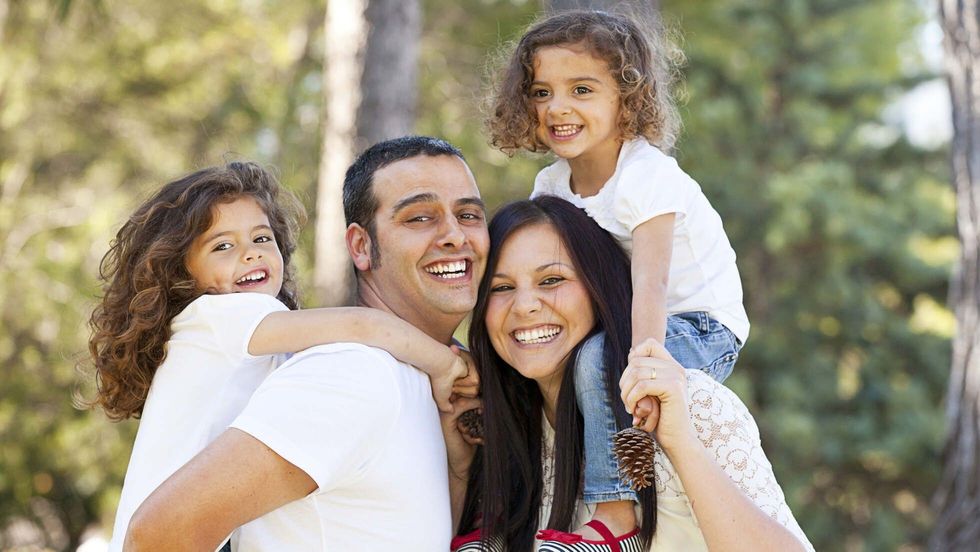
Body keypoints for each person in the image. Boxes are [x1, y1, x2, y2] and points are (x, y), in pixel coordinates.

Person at [121, 136, 488, 551]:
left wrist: (458, 460)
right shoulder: (351, 374)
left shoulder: (398, 380)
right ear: (361, 246)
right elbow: (156, 534)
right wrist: (447, 364)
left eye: (470, 214)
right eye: (420, 217)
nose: (455, 235)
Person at [486, 9, 750, 545]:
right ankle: (503, 525)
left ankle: (617, 517)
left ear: (626, 99)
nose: (557, 107)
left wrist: (645, 369)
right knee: (524, 367)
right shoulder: (551, 187)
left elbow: (651, 285)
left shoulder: (647, 177)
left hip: (698, 327)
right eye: (540, 93)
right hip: (621, 319)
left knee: (594, 359)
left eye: (581, 89)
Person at [453, 196, 812, 551]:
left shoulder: (691, 405)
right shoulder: (500, 429)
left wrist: (681, 442)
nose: (526, 305)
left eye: (551, 280)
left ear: (599, 289)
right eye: (501, 288)